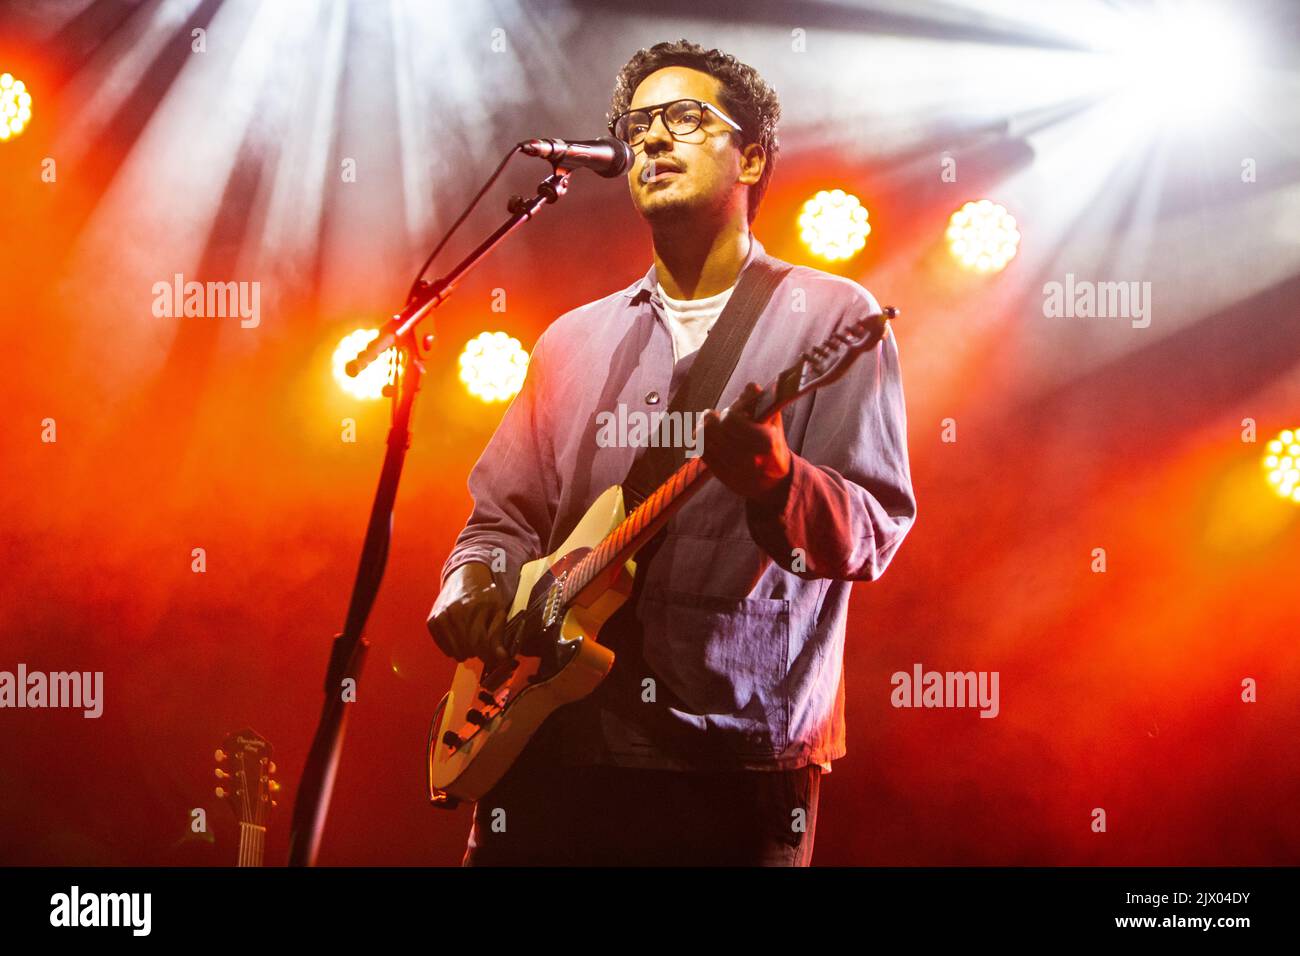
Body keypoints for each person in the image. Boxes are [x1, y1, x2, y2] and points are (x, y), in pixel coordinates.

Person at [427, 39, 916, 866]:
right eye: (639, 123)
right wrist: (467, 588)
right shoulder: (570, 339)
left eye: (685, 118)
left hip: (727, 764)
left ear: (752, 155)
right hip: (547, 742)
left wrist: (780, 482)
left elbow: (871, 529)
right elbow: (500, 517)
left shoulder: (832, 315)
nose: (653, 139)